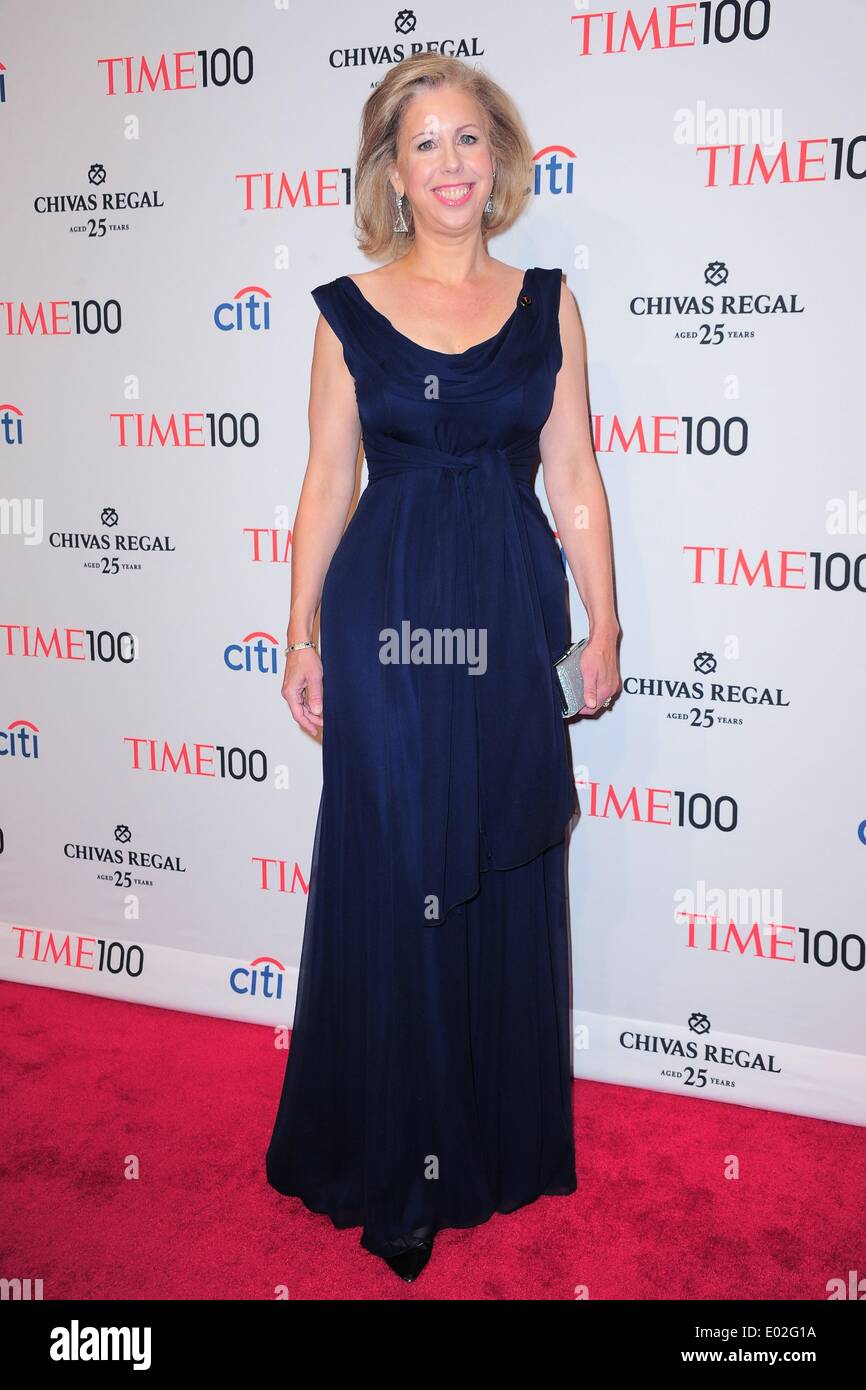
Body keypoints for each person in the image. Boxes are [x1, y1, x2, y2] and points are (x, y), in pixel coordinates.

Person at [265, 52, 621, 1284]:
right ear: (391, 174)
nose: (452, 163)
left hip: (507, 611)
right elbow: (325, 482)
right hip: (387, 619)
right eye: (424, 144)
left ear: (499, 156)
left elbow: (572, 479)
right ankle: (402, 1166)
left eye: (468, 138)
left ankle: (496, 1133)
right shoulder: (344, 308)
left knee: (495, 858)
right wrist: (300, 630)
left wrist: (604, 626)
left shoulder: (547, 302)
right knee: (406, 863)